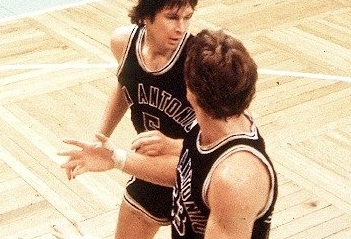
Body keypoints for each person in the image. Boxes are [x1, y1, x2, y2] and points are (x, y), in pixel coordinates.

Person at [58, 28, 276, 239]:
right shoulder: (208, 124)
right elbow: (188, 172)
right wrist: (116, 159)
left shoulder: (235, 180)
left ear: (189, 90)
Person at [61, 0, 199, 238]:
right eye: (172, 17)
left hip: (197, 172)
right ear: (146, 16)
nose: (181, 28)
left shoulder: (196, 61)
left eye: (187, 17)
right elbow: (125, 85)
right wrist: (102, 136)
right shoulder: (123, 42)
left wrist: (173, 145)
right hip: (150, 167)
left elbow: (225, 137)